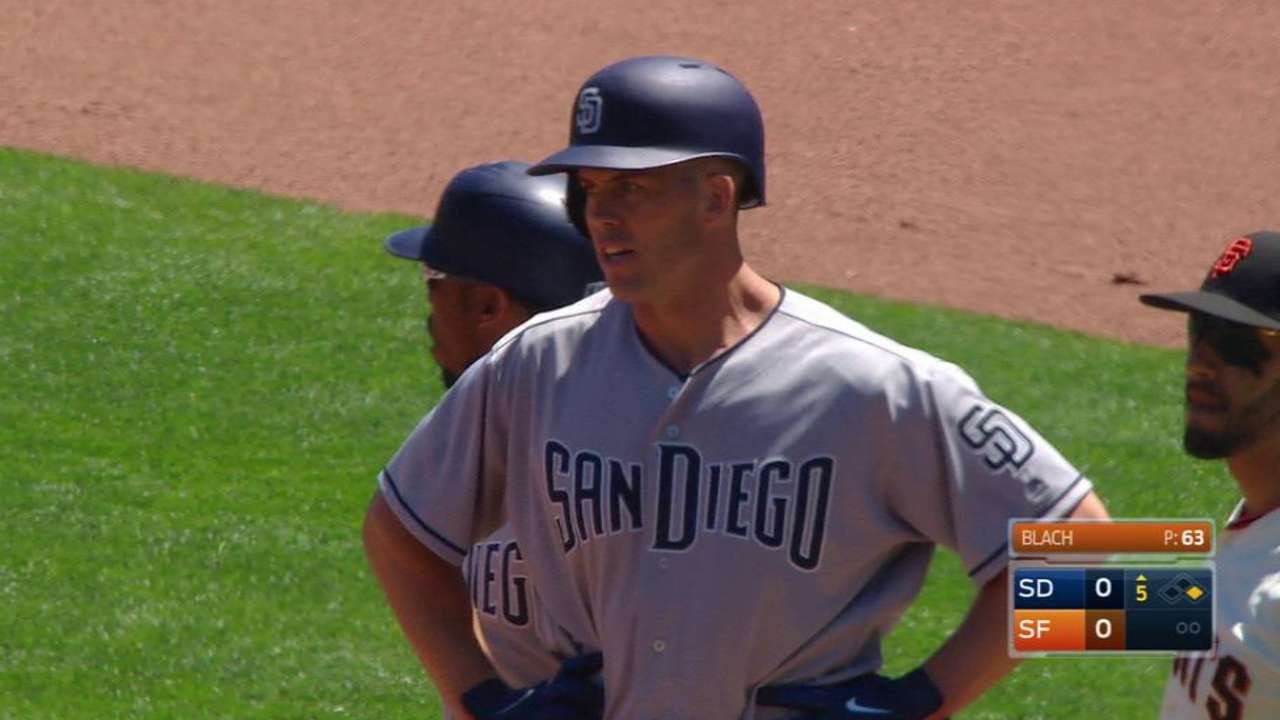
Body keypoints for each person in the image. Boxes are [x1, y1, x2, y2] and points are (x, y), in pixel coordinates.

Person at [368, 55, 1109, 720]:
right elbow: (396, 538)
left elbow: (1121, 576)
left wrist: (922, 700)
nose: (603, 215)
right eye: (592, 190)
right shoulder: (537, 361)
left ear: (717, 198)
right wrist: (483, 702)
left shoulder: (870, 385)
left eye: (633, 187)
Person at [364, 160, 607, 719]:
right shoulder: (475, 428)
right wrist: (484, 698)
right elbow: (399, 545)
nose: (428, 314)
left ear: (488, 307)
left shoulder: (599, 453)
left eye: (434, 282)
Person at [1140, 230, 1280, 719]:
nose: (1201, 362)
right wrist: (1036, 606)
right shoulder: (1258, 515)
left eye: (1237, 345)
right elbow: (1217, 604)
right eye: (1200, 329)